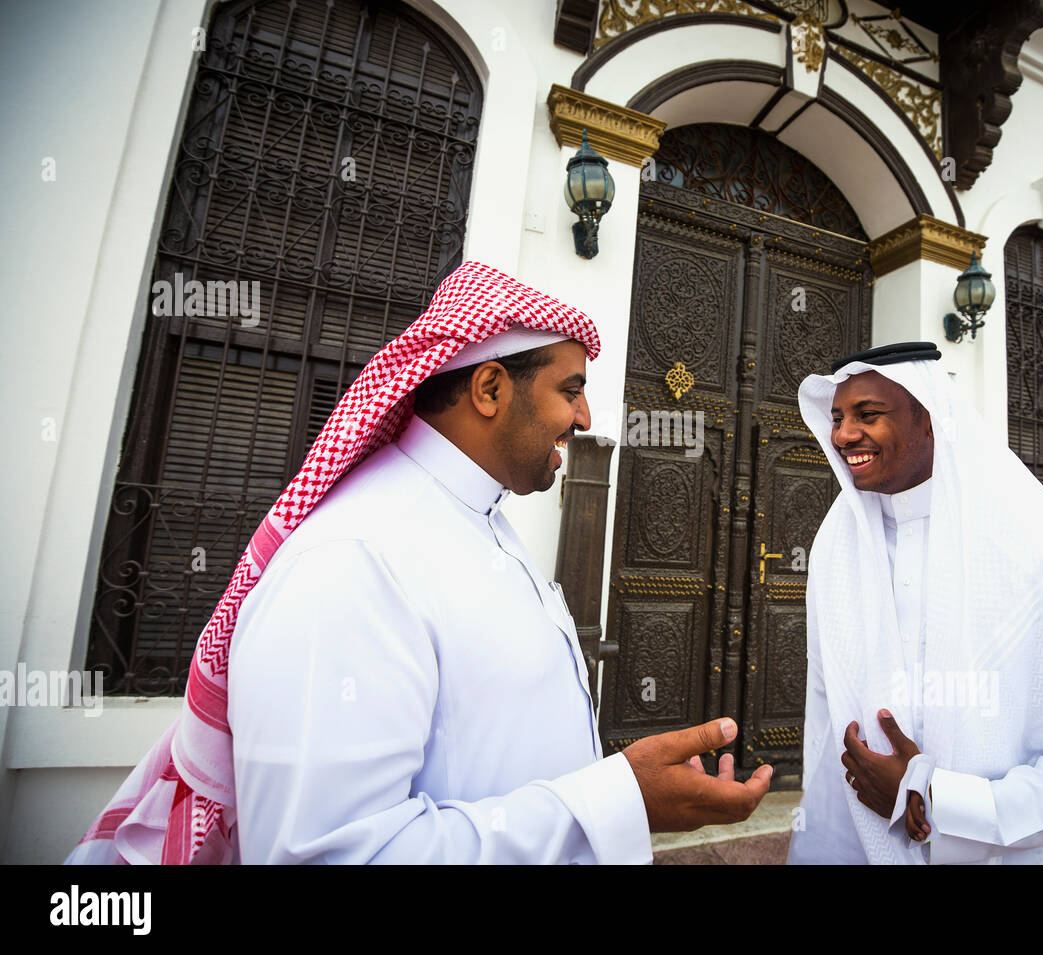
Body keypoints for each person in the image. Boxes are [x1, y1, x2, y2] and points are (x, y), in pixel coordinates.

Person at [66, 261, 770, 865]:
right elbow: (339, 854)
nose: (586, 416)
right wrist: (618, 798)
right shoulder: (353, 561)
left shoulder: (479, 520)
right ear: (490, 389)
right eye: (569, 388)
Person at [786, 342, 1043, 865]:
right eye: (839, 417)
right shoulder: (836, 545)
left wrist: (942, 800)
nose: (844, 434)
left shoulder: (1032, 543)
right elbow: (829, 730)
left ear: (931, 419)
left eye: (868, 415)